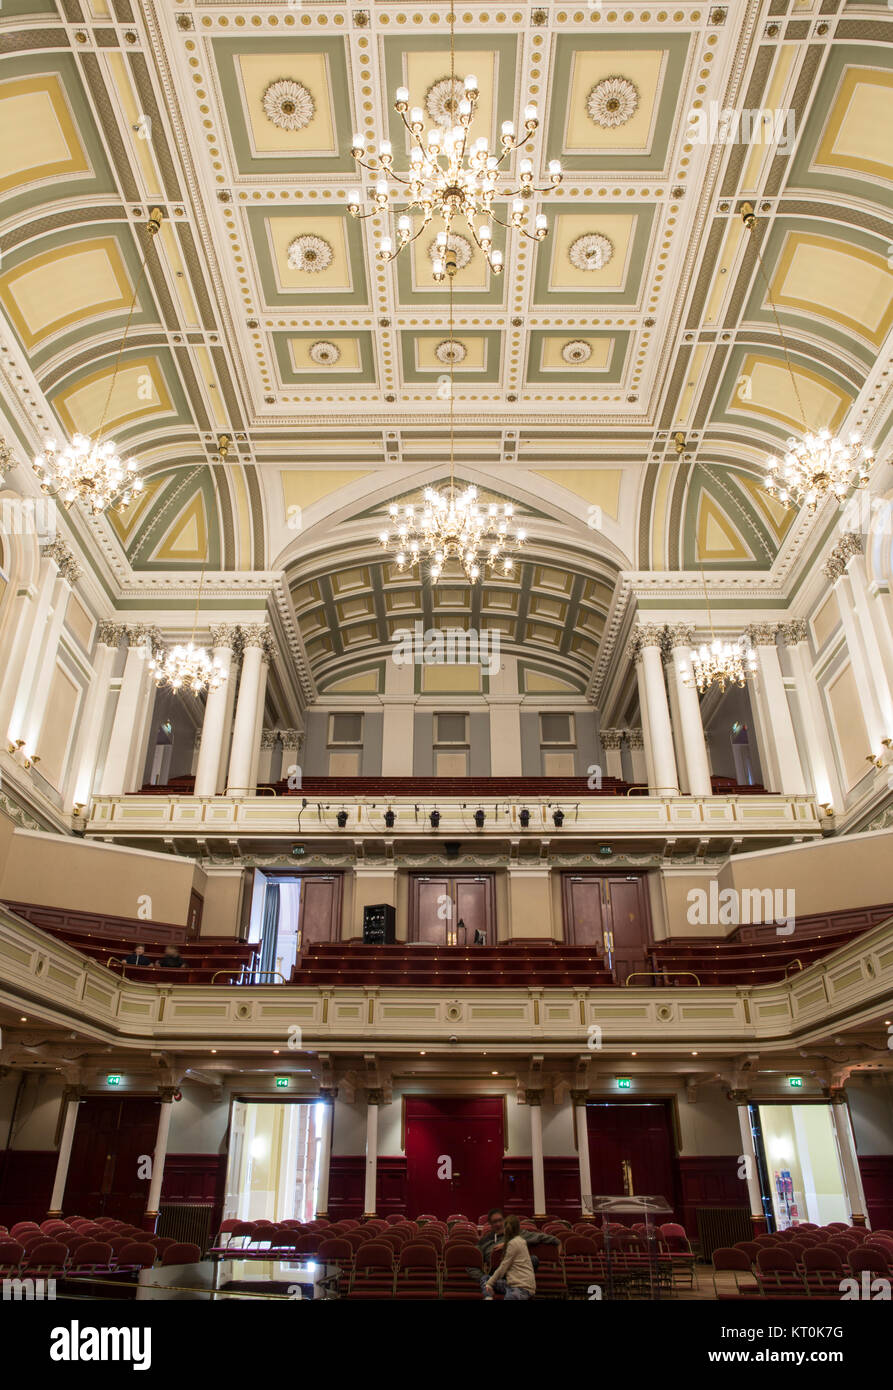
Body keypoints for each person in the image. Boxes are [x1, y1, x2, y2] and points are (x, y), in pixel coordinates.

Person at [469, 1207, 558, 1289]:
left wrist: (558, 1242)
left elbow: (541, 1237)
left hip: (517, 1275)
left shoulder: (518, 1233)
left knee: (533, 1259)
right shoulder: (484, 1241)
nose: (498, 1224)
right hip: (497, 1276)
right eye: (495, 1222)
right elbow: (472, 1264)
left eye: (500, 1220)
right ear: (490, 1224)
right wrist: (483, 1279)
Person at [483, 1214, 536, 1300]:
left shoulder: (513, 1243)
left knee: (488, 1282)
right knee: (485, 1278)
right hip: (512, 1284)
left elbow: (503, 1267)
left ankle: (488, 1296)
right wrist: (489, 1283)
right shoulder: (520, 1241)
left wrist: (489, 1284)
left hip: (521, 1287)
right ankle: (488, 1296)